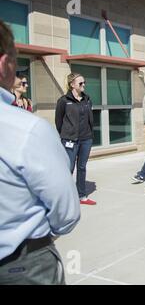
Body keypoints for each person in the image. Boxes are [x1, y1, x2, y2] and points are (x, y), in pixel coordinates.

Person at [0, 20, 80, 284]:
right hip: (21, 266)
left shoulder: (85, 101)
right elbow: (66, 212)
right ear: (4, 64)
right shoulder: (28, 129)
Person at [55, 73, 96, 205]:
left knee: (82, 167)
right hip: (70, 140)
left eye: (84, 82)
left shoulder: (87, 99)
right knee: (69, 167)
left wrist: (90, 133)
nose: (83, 85)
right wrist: (66, 134)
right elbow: (59, 121)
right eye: (80, 83)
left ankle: (81, 196)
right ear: (72, 84)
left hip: (86, 139)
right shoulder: (63, 101)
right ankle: (64, 197)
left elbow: (90, 118)